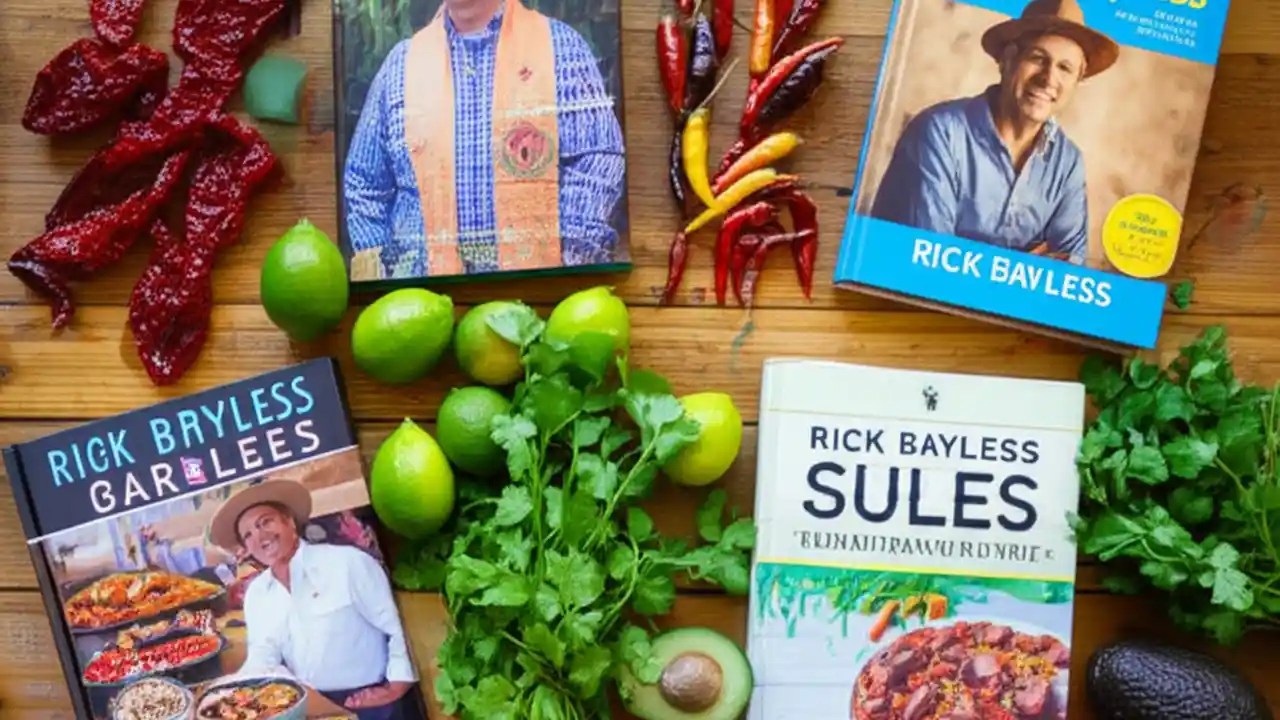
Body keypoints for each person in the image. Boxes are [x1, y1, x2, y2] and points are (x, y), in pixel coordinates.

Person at [343, 0, 626, 280]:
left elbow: (599, 157)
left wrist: (570, 260)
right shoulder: (401, 65)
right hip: (422, 309)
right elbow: (364, 182)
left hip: (543, 299)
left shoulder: (560, 47)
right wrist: (385, 276)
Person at [869, 0, 1119, 265]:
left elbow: (1067, 273)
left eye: (1065, 68)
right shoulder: (940, 131)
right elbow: (927, 264)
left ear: (1077, 82)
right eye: (1037, 58)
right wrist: (1026, 266)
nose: (1048, 79)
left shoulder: (1068, 162)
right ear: (1007, 59)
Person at [208, 478, 418, 720]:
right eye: (248, 534)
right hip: (311, 708)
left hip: (375, 704)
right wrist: (229, 694)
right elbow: (263, 655)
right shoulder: (257, 593)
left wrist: (397, 685)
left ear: (290, 522)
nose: (260, 536)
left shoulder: (348, 563)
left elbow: (397, 626)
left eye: (265, 522)